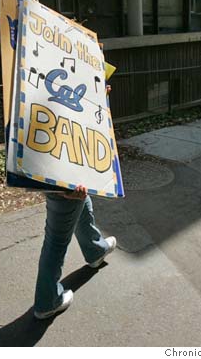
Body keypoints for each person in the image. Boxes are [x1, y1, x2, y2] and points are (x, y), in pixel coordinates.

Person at [33, 85, 117, 320]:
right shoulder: (47, 81)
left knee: (82, 206)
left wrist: (97, 99)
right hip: (62, 176)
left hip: (61, 168)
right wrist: (60, 188)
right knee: (56, 242)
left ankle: (95, 250)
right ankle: (47, 302)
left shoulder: (37, 72)